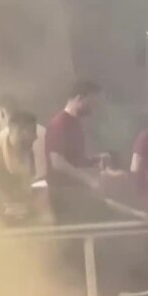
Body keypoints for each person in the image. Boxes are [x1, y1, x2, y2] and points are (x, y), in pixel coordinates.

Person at [44, 80, 124, 223]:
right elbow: (57, 162)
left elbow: (74, 160)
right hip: (63, 195)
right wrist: (89, 180)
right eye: (92, 102)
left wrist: (94, 160)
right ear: (79, 98)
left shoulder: (76, 124)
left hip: (75, 193)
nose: (94, 107)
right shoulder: (60, 123)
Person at [0, 94, 47, 183]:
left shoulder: (40, 136)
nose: (35, 137)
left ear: (1, 113)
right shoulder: (0, 140)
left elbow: (40, 178)